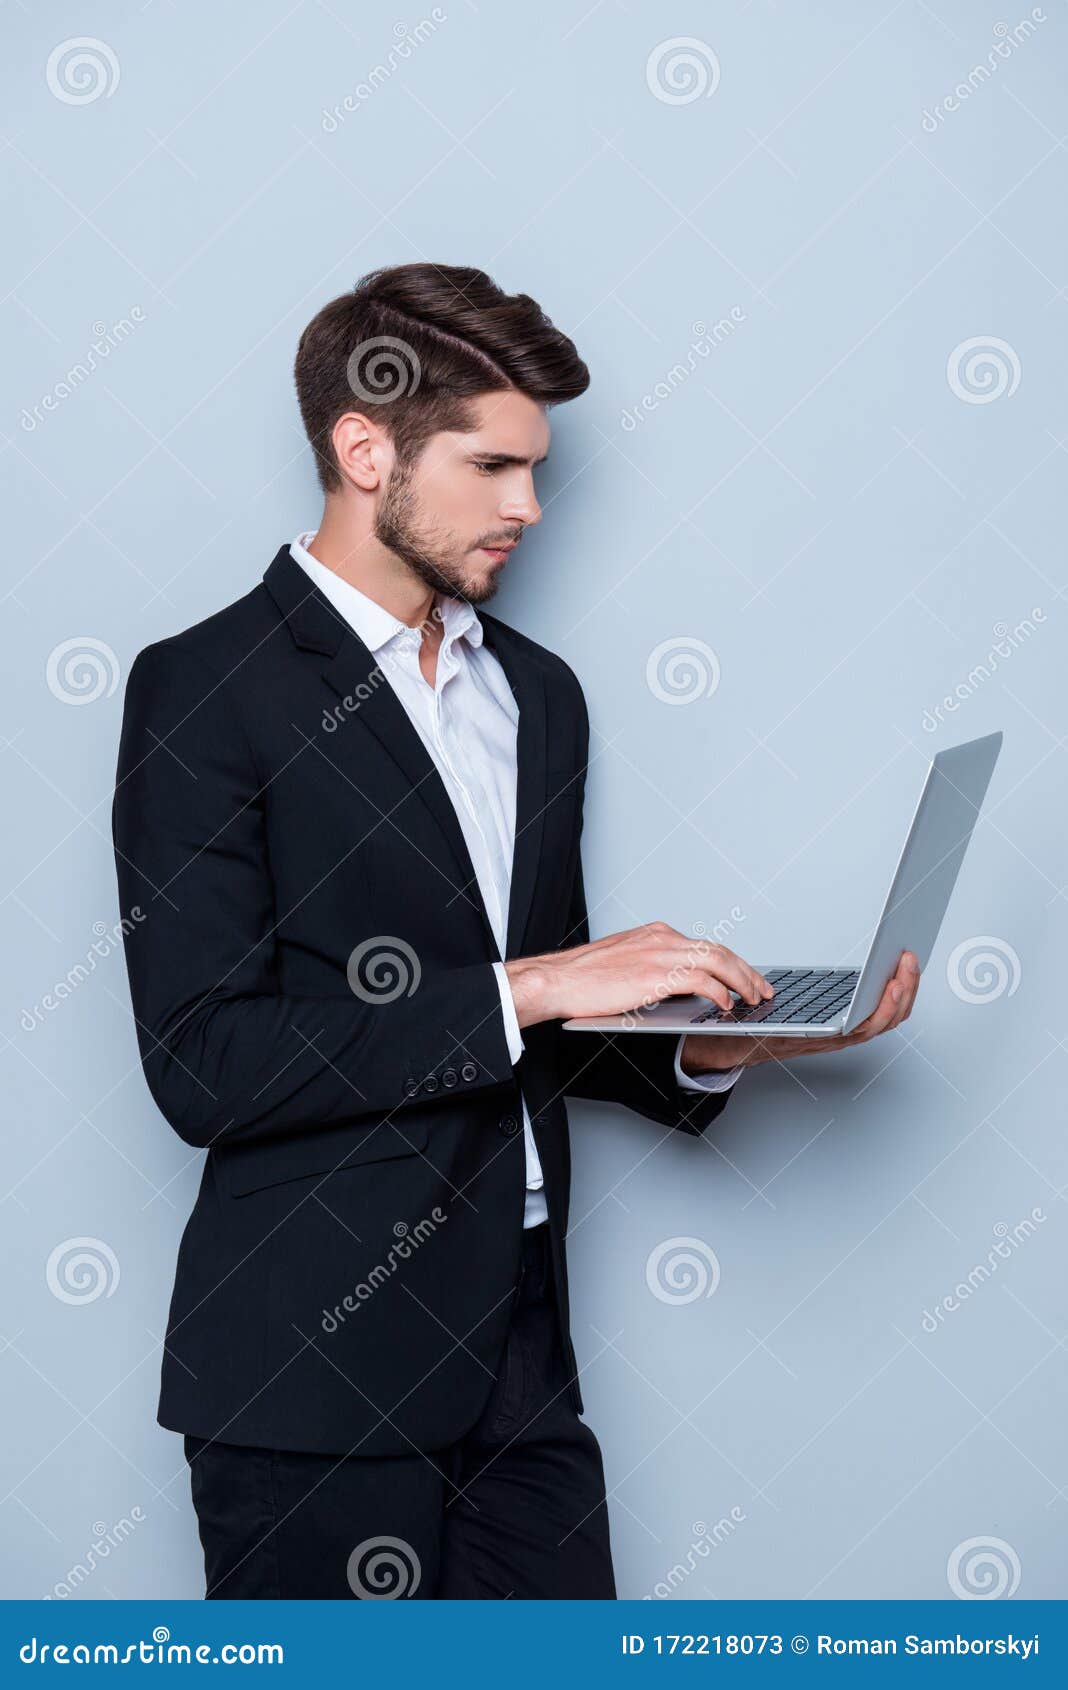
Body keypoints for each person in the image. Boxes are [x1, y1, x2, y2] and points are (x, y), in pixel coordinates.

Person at [111, 262, 920, 1600]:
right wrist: (535, 980)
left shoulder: (536, 695)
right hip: (311, 1377)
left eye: (536, 468)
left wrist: (725, 1044)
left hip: (522, 1358)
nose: (531, 506)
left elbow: (547, 1029)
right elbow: (205, 1059)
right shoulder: (204, 689)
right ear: (365, 448)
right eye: (495, 466)